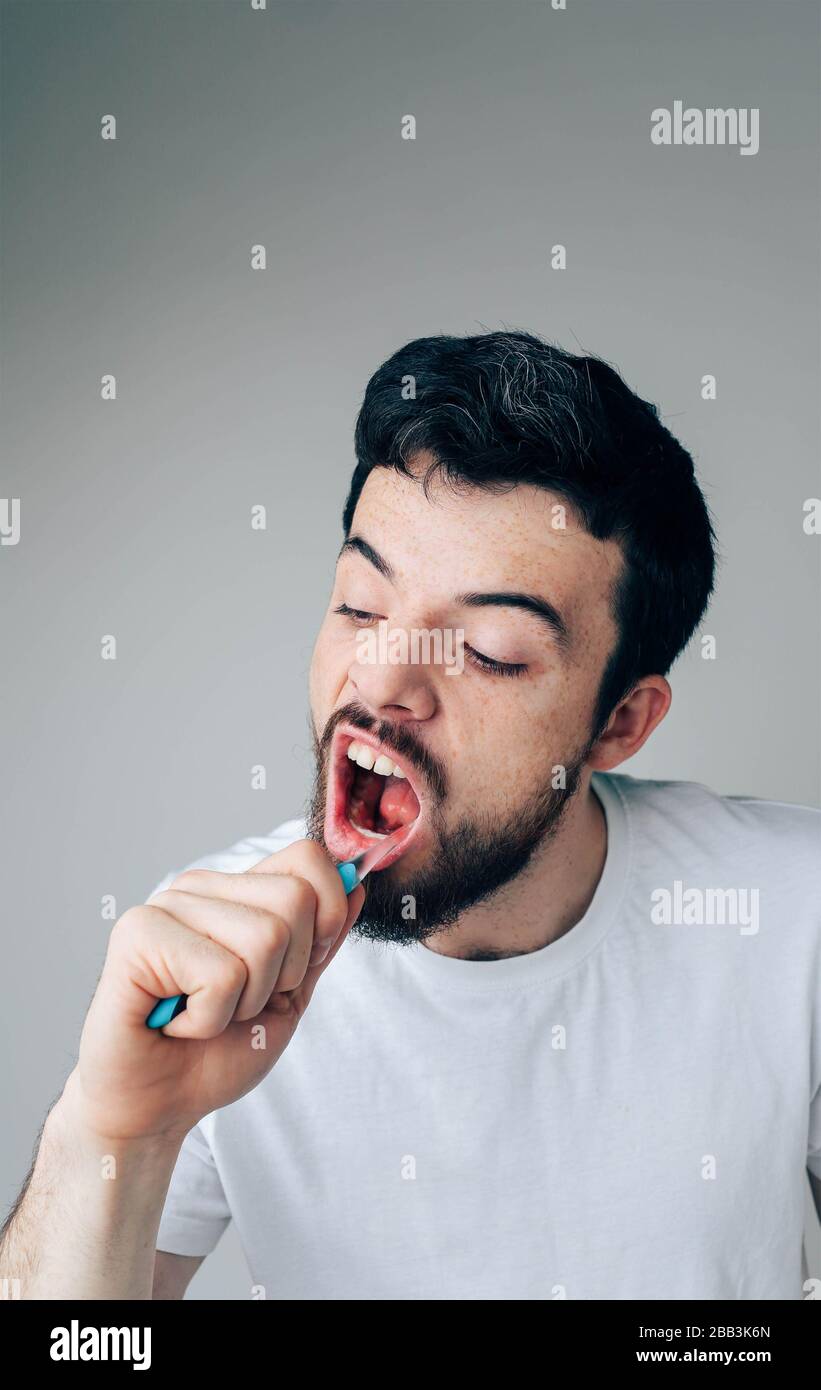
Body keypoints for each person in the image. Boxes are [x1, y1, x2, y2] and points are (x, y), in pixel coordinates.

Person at [2, 331, 819, 1300]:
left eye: (486, 650)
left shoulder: (791, 910)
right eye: (358, 604)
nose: (382, 679)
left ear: (619, 722)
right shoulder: (215, 961)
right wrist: (112, 1132)